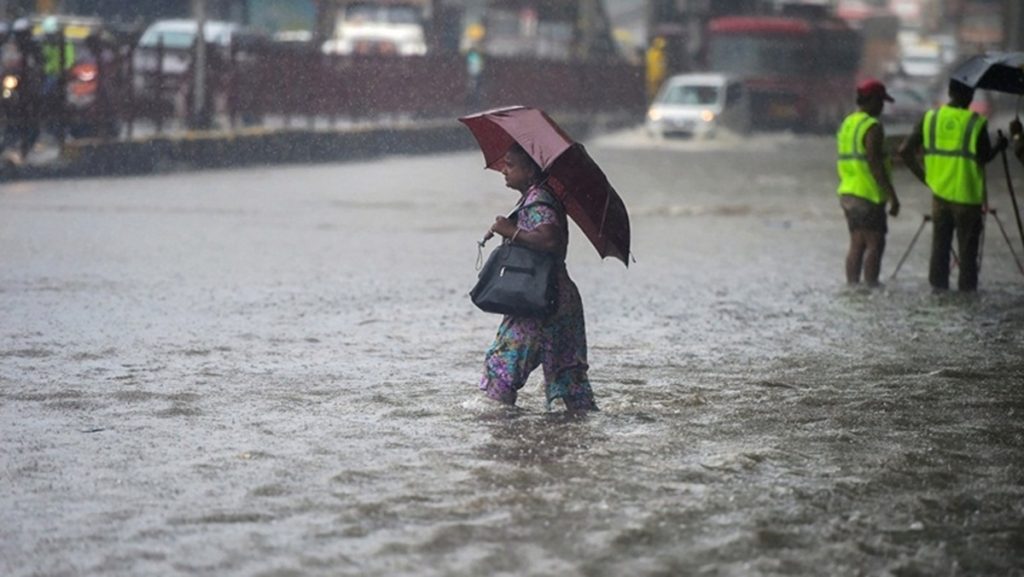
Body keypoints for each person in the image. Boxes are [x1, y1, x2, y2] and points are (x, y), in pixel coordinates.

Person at [478, 144, 598, 412]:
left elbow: (549, 238)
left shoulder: (539, 199)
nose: (503, 170)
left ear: (531, 169)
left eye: (510, 165)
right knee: (569, 378)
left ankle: (498, 438)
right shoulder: (539, 197)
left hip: (537, 300)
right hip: (558, 298)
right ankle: (580, 433)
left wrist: (511, 231)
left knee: (503, 367)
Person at [899, 79, 1008, 291]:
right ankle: (967, 300)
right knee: (967, 255)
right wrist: (1000, 146)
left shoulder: (930, 118)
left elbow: (904, 150)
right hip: (967, 199)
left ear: (949, 92)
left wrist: (926, 178)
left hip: (940, 197)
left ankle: (938, 293)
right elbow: (984, 157)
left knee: (939, 250)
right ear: (970, 96)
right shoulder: (976, 122)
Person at [836, 78, 900, 286]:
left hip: (847, 193)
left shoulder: (848, 123)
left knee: (856, 243)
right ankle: (871, 287)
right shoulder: (872, 126)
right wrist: (892, 196)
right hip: (868, 193)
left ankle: (853, 286)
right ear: (870, 100)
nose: (882, 106)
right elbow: (874, 163)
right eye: (880, 101)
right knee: (875, 243)